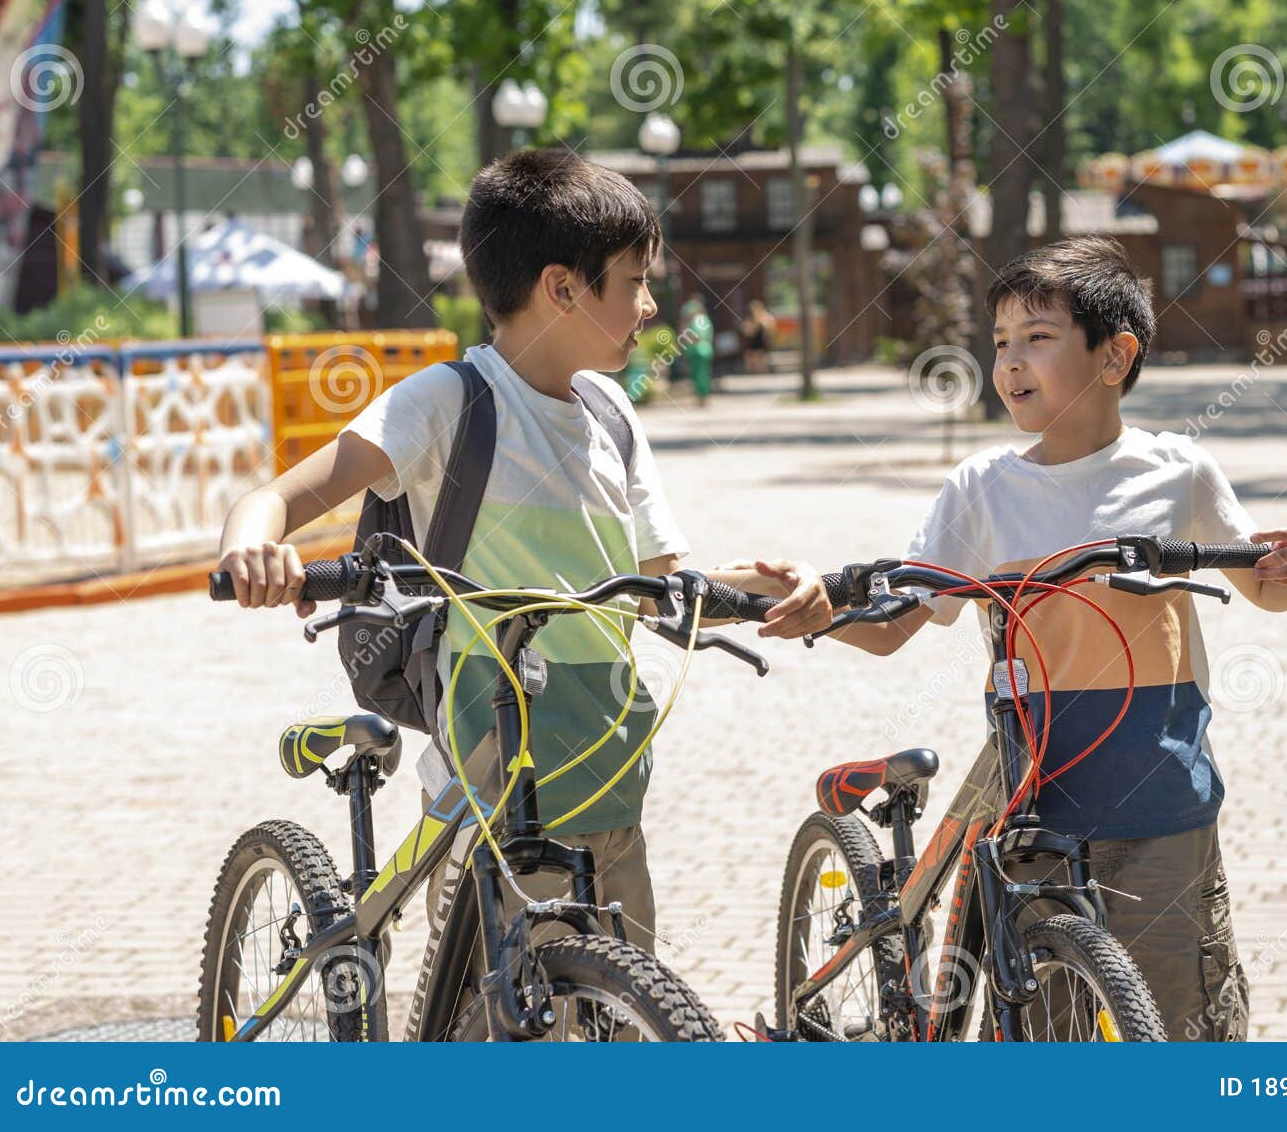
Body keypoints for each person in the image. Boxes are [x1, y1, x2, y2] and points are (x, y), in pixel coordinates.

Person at [215, 148, 835, 971]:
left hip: (610, 772)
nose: (651, 304)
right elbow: (278, 498)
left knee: (621, 1014)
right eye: (634, 281)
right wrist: (252, 548)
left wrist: (772, 591)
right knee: (503, 1015)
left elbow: (661, 593)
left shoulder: (612, 413)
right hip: (495, 779)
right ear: (563, 287)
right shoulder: (446, 403)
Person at [829, 236, 1287, 1041]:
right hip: (1037, 806)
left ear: (1116, 356)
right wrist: (808, 608)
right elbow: (898, 620)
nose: (1009, 363)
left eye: (1037, 338)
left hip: (1165, 799)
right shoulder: (982, 490)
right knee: (1048, 1026)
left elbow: (1265, 586)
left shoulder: (1178, 473)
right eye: (1000, 342)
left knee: (1181, 1020)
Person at [679, 294, 715, 407]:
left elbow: (696, 336)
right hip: (706, 349)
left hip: (698, 350)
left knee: (699, 374)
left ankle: (701, 398)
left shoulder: (697, 320)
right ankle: (703, 397)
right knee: (704, 374)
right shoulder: (705, 319)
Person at [740, 299, 775, 375]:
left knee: (761, 359)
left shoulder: (765, 317)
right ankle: (752, 374)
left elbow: (770, 327)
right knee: (750, 359)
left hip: (760, 341)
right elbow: (747, 332)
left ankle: (762, 373)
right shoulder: (749, 319)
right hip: (752, 342)